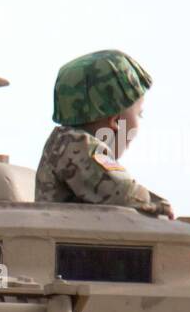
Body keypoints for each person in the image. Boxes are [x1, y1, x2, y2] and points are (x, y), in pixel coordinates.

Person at [36, 49, 172, 218]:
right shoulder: (75, 144)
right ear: (115, 121)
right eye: (139, 114)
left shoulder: (62, 141)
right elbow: (123, 194)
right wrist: (161, 207)